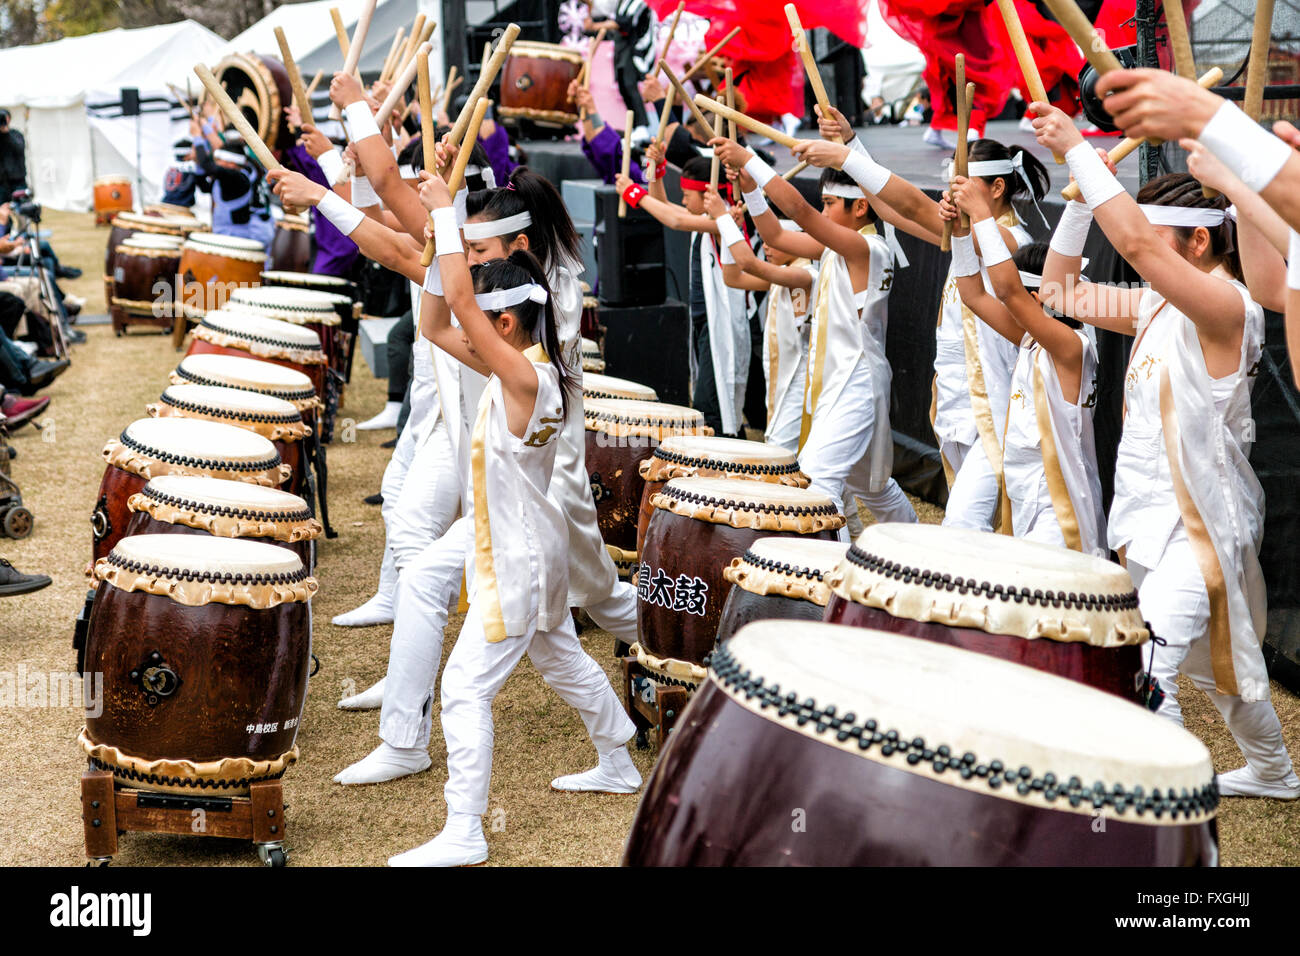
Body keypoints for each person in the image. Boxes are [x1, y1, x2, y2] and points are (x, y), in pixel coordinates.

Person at [1031, 100, 1298, 801]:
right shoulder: (1153, 304)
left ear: (1201, 245)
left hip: (1206, 522)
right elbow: (1057, 290)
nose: (1134, 250)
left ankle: (1157, 804)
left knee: (1151, 664)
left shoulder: (1228, 308)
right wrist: (1080, 205)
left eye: (1147, 238)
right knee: (1222, 669)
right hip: (1148, 516)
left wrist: (1080, 155)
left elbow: (1145, 252)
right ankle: (1273, 772)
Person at [391, 215, 638, 866]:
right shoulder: (525, 369)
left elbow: (460, 307)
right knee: (561, 660)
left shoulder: (528, 381)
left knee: (464, 689)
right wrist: (432, 251)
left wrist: (446, 210)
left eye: (484, 318)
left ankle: (466, 830)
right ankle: (618, 758)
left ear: (504, 326)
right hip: (531, 555)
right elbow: (437, 324)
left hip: (519, 563)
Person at [795, 105, 1048, 534]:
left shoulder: (1009, 240)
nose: (948, 198)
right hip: (958, 405)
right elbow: (897, 211)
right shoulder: (971, 235)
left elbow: (915, 203)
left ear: (998, 187)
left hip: (1000, 408)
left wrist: (845, 160)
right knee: (979, 526)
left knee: (964, 527)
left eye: (960, 189)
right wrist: (852, 143)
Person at [710, 136, 917, 531]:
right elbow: (776, 237)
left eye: (830, 204)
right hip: (840, 380)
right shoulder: (840, 249)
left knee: (818, 486)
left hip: (855, 381)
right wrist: (752, 189)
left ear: (861, 207)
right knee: (873, 488)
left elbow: (800, 213)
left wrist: (752, 161)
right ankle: (922, 555)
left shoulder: (868, 249)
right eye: (823, 204)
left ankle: (826, 582)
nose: (822, 211)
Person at [945, 188, 1105, 554]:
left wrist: (982, 215)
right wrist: (960, 230)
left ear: (1035, 301)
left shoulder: (1071, 346)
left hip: (1058, 508)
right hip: (1025, 494)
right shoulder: (1032, 338)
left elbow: (1005, 291)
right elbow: (973, 294)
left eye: (1022, 298)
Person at [616, 154, 749, 436]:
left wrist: (632, 191)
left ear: (708, 196)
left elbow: (674, 219)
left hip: (721, 326)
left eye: (688, 195)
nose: (684, 201)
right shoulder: (705, 217)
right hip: (704, 323)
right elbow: (664, 207)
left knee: (710, 404)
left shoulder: (725, 222)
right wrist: (657, 172)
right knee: (711, 400)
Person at [709, 191, 815, 453]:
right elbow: (732, 277)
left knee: (779, 454)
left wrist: (724, 220)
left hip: (804, 380)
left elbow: (749, 263)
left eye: (771, 241)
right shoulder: (780, 276)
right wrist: (732, 229)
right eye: (764, 241)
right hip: (782, 378)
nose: (765, 246)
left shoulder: (806, 273)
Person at [192, 118, 274, 248]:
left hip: (241, 237)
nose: (216, 162)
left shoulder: (238, 178)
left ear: (230, 163)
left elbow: (208, 166)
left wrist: (197, 138)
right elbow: (204, 187)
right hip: (224, 236)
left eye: (219, 160)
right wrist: (197, 162)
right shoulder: (226, 177)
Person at [585, 0, 657, 144]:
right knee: (623, 86)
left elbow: (624, 22)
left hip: (634, 48)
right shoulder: (620, 3)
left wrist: (595, 26)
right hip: (621, 48)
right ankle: (636, 127)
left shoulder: (639, 3)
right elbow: (603, 10)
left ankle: (643, 126)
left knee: (630, 85)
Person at [0, 110, 27, 205]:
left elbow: (19, 148)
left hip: (18, 181)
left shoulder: (16, 134)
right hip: (1, 183)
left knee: (24, 210)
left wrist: (6, 133)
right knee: (2, 215)